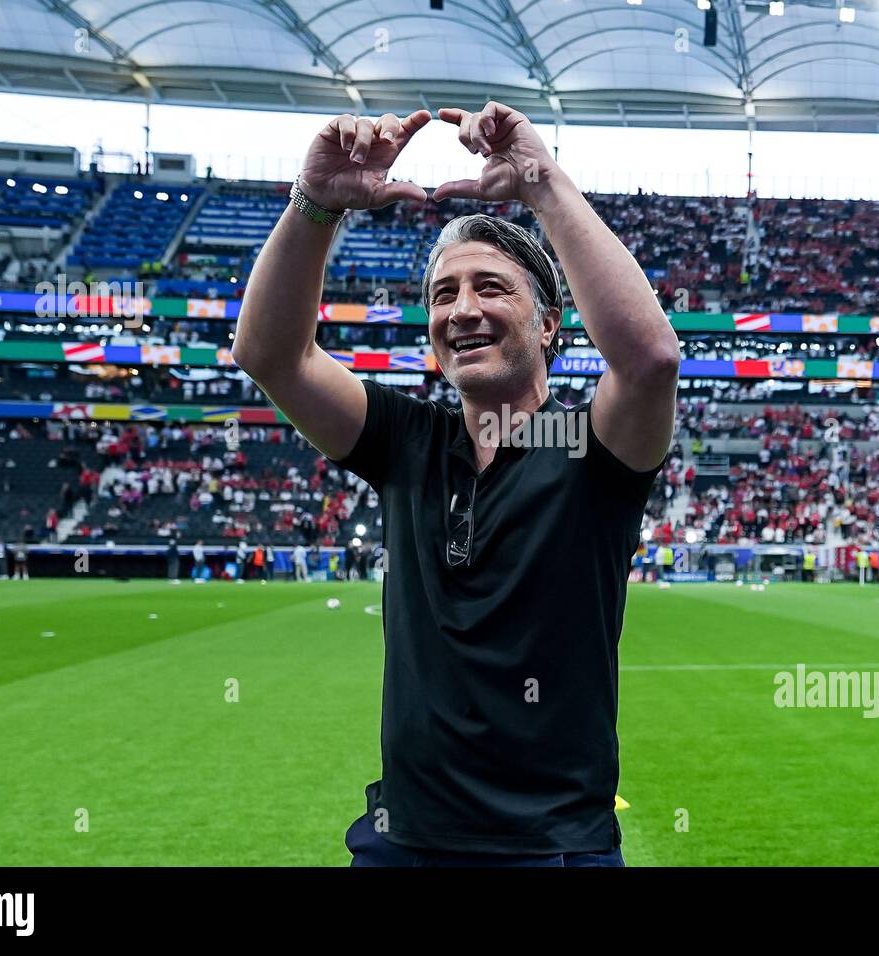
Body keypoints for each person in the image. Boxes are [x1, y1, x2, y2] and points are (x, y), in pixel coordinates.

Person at [232, 102, 679, 866]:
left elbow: (650, 360)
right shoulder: (408, 441)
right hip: (404, 842)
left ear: (547, 327)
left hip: (552, 849)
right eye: (444, 295)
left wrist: (541, 182)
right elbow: (272, 355)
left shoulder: (592, 449)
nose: (463, 310)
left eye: (492, 288)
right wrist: (315, 204)